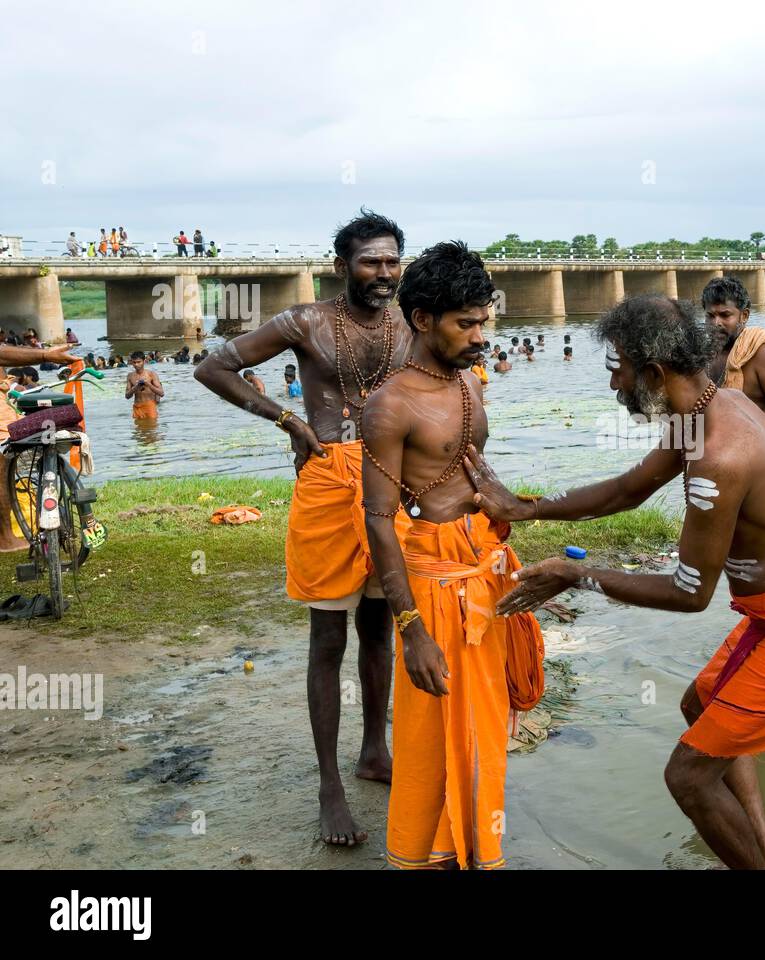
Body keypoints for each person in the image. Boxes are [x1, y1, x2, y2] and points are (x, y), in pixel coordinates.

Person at [463, 294, 765, 870]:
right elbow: (629, 489)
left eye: (617, 369)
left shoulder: (719, 453)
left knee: (688, 775)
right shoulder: (709, 406)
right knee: (700, 704)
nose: (613, 386)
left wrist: (576, 575)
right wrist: (529, 509)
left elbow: (689, 595)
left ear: (652, 372)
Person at [195, 209, 412, 847]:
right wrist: (286, 419)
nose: (383, 273)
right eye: (371, 261)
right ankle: (329, 786)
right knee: (327, 638)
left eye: (392, 260)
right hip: (327, 481)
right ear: (342, 264)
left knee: (383, 625)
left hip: (391, 481)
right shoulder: (305, 321)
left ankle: (376, 750)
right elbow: (213, 368)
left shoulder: (413, 322)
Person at [360, 240, 544, 870]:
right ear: (421, 320)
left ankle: (471, 845)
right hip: (433, 589)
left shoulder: (469, 382)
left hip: (484, 572)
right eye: (465, 323)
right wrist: (409, 630)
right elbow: (379, 520)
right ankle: (427, 853)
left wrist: (503, 510)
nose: (479, 334)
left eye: (483, 320)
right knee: (431, 736)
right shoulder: (390, 404)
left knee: (485, 728)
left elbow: (473, 474)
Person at [703, 276, 765, 428]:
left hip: (751, 447)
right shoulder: (701, 356)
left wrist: (734, 429)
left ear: (744, 315)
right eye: (710, 316)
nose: (716, 323)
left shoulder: (761, 354)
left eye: (725, 315)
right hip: (708, 447)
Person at [126, 351, 163, 420]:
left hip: (150, 406)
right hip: (137, 407)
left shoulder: (151, 374)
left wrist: (148, 384)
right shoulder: (130, 376)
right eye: (134, 362)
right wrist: (136, 387)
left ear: (144, 361)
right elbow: (127, 396)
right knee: (138, 430)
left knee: (152, 429)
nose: (136, 364)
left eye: (138, 362)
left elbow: (161, 393)